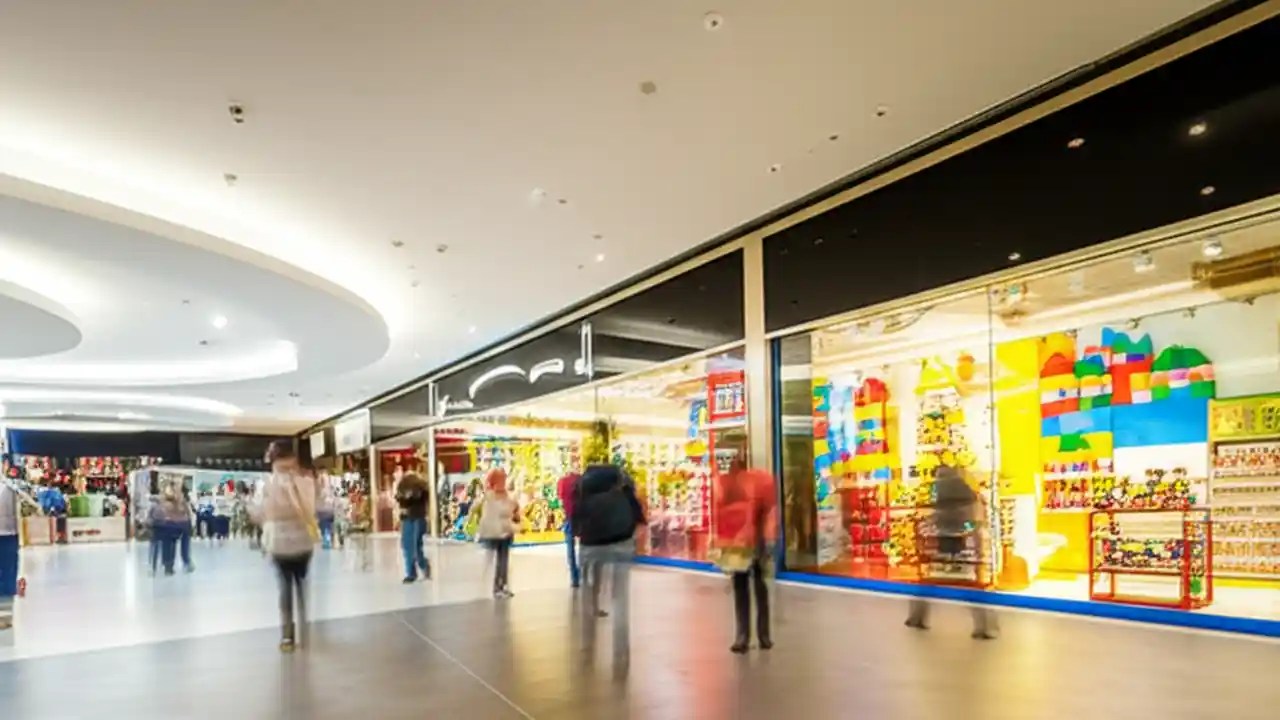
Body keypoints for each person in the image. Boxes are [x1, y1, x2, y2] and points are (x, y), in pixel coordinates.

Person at [904, 465, 997, 640]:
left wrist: (930, 527)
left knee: (928, 584)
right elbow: (971, 517)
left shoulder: (943, 489)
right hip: (963, 542)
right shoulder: (966, 490)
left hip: (944, 541)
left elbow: (939, 514)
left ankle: (916, 617)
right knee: (970, 586)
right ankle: (984, 625)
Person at [573, 461, 645, 655]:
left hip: (590, 548)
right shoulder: (625, 493)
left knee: (588, 592)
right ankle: (621, 646)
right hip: (621, 545)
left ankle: (587, 642)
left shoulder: (583, 494)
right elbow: (639, 519)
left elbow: (575, 523)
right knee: (620, 596)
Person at [254, 441, 319, 652]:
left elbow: (261, 514)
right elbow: (311, 508)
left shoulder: (267, 485)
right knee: (298, 586)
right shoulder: (304, 481)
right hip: (299, 542)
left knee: (286, 587)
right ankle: (300, 628)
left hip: (283, 543)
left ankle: (288, 636)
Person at [712, 462, 778, 654]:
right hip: (740, 542)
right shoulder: (731, 484)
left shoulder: (759, 481)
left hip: (754, 541)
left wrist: (767, 536)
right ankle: (752, 636)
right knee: (750, 587)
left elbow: (768, 511)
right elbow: (723, 513)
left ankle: (751, 636)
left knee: (753, 586)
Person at [475, 469, 519, 598]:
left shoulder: (503, 496)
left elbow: (511, 511)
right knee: (497, 561)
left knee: (502, 561)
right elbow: (506, 511)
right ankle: (496, 587)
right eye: (502, 480)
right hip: (496, 532)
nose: (504, 482)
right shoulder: (490, 497)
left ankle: (501, 586)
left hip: (504, 532)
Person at [394, 471, 431, 583]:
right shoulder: (402, 488)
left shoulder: (422, 488)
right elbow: (401, 502)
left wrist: (412, 495)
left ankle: (423, 565)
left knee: (415, 547)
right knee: (407, 547)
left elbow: (422, 499)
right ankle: (411, 573)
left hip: (418, 518)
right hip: (407, 519)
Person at [0, 478, 20, 631]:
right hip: (9, 535)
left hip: (9, 535)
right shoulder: (10, 487)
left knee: (8, 578)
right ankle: (6, 617)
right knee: (8, 576)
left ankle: (6, 616)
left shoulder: (10, 487)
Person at [556, 470, 582, 588]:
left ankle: (574, 577)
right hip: (582, 517)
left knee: (570, 547)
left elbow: (560, 498)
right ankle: (582, 574)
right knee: (584, 546)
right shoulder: (583, 481)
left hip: (569, 516)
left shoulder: (563, 481)